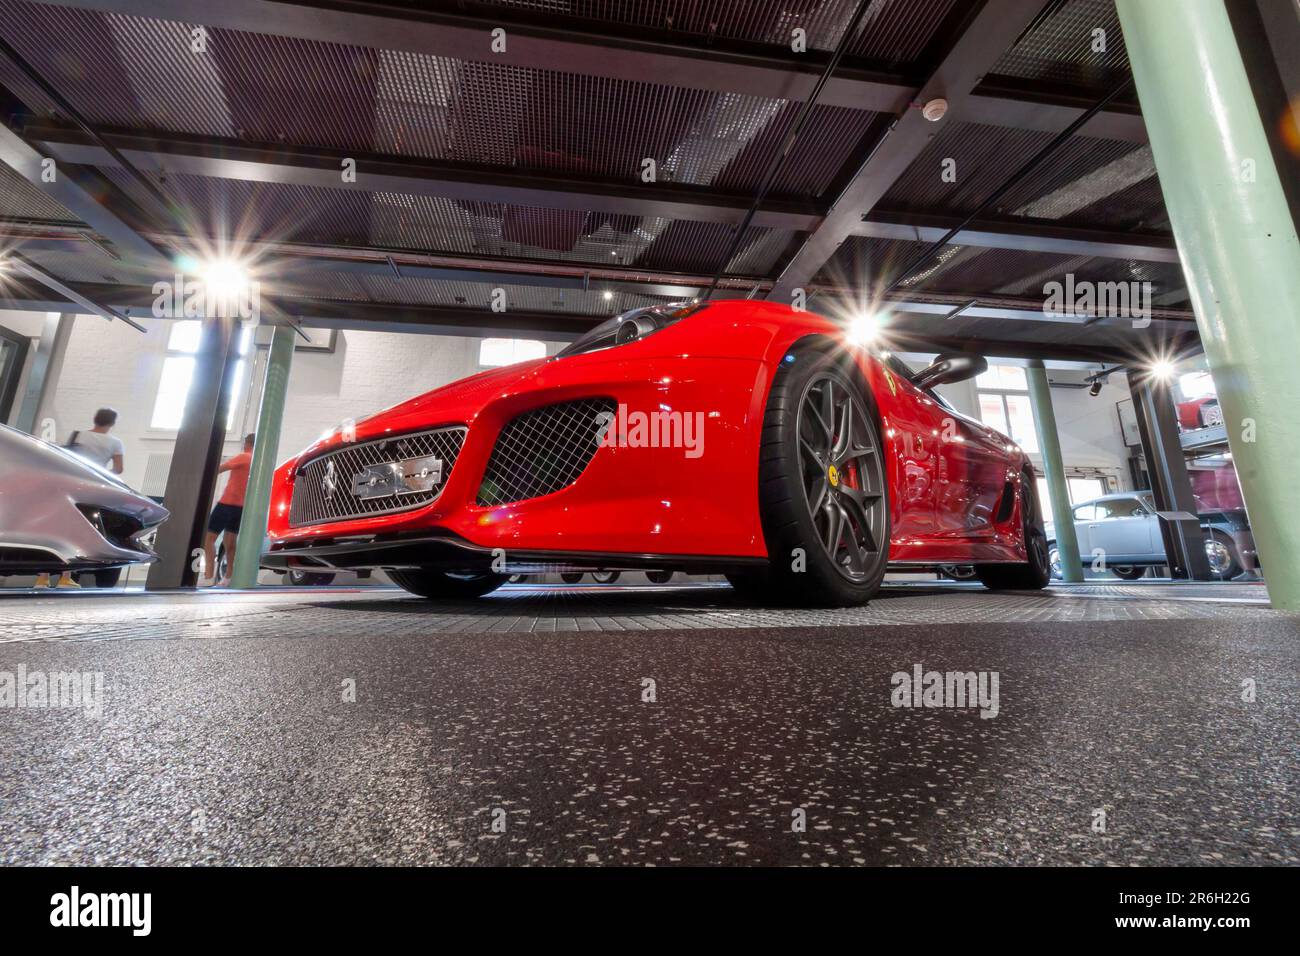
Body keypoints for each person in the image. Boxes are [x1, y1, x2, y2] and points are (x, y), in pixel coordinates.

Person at [36, 408, 126, 589]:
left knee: (54, 528)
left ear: (95, 419)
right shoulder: (115, 443)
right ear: (112, 423)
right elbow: (118, 469)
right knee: (75, 531)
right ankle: (65, 578)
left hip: (68, 484)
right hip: (90, 489)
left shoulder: (78, 435)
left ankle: (42, 578)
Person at [202, 433, 255, 588]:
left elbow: (219, 469)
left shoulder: (244, 456)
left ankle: (208, 576)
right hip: (241, 507)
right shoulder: (257, 462)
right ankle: (228, 577)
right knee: (230, 543)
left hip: (227, 503)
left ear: (247, 443)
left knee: (209, 538)